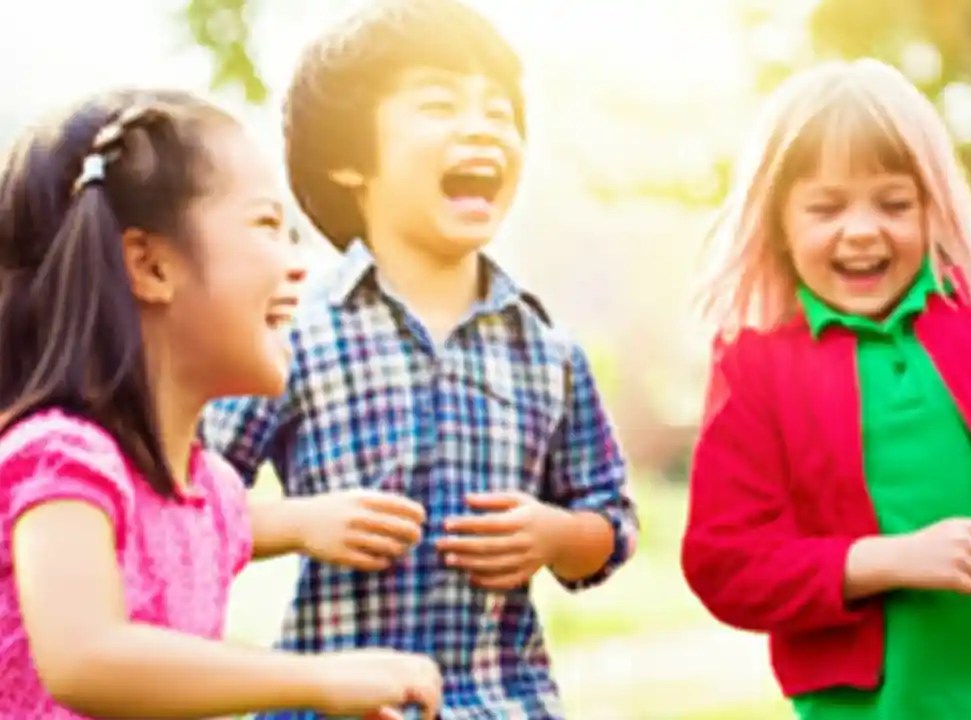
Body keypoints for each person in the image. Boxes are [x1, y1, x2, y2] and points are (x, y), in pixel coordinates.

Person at [198, 1, 638, 717]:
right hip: (336, 703)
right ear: (348, 159)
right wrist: (301, 521)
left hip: (507, 701)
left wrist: (555, 534)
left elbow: (611, 522)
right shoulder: (294, 332)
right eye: (439, 103)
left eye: (500, 111)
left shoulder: (548, 353)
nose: (482, 126)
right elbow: (184, 504)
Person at [682, 59, 971, 719]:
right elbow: (727, 560)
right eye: (826, 208)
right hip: (875, 703)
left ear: (933, 208)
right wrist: (883, 560)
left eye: (893, 203)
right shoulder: (756, 361)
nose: (862, 230)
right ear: (777, 223)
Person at [0, 89, 442, 719]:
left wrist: (304, 522)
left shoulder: (205, 488)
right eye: (268, 226)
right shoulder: (59, 458)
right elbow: (84, 655)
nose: (299, 267)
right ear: (150, 266)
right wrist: (317, 679)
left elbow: (195, 526)